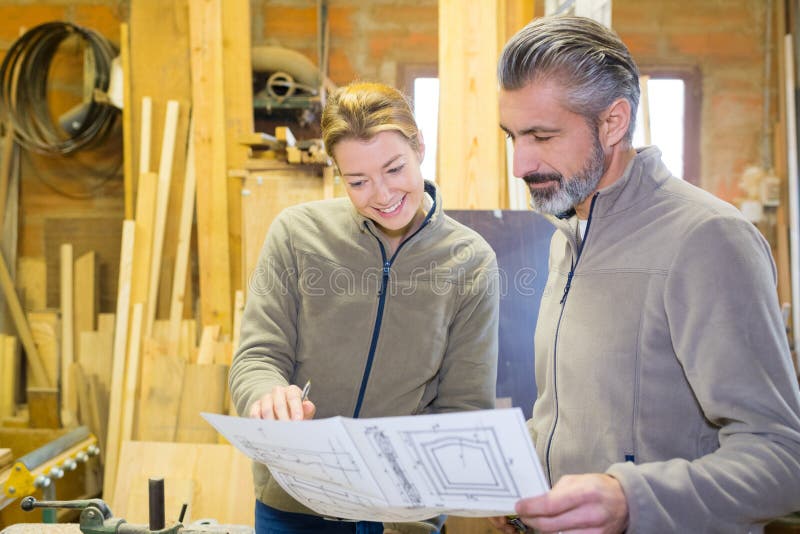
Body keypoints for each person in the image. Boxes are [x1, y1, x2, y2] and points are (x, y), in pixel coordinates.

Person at [489, 15, 800, 534]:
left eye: (541, 136)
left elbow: (783, 457)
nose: (520, 163)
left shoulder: (708, 238)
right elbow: (574, 415)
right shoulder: (569, 233)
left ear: (612, 123)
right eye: (512, 136)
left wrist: (630, 499)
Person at [229, 81, 500, 534]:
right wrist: (267, 399)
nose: (381, 194)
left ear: (419, 148)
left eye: (394, 169)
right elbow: (256, 359)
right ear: (338, 174)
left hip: (401, 515)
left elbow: (464, 409)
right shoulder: (296, 236)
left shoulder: (470, 262)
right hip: (292, 508)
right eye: (358, 181)